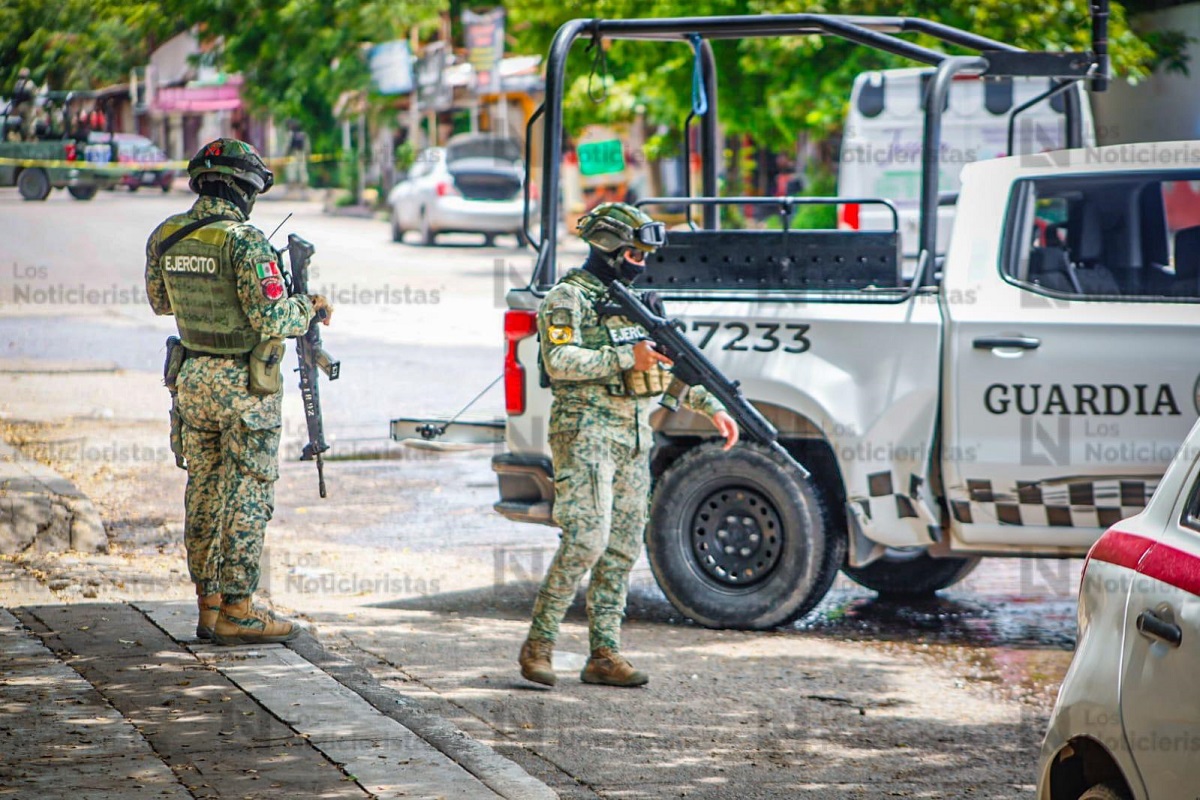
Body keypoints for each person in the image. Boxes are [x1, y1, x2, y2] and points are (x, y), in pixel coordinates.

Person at [520, 202, 739, 688]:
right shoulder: (567, 298)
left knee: (621, 548)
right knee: (586, 541)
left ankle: (604, 653)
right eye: (634, 252)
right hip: (585, 434)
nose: (641, 261)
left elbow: (664, 373)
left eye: (645, 253)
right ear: (609, 247)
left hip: (633, 437)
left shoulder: (640, 304)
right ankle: (539, 643)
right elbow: (560, 362)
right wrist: (625, 355)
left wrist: (713, 408)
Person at [145, 138, 333, 646]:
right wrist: (308, 308)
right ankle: (239, 609)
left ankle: (208, 607)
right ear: (242, 189)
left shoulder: (165, 234)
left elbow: (161, 304)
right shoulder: (244, 241)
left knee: (203, 491)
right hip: (244, 388)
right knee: (248, 493)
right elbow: (273, 316)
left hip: (190, 383)